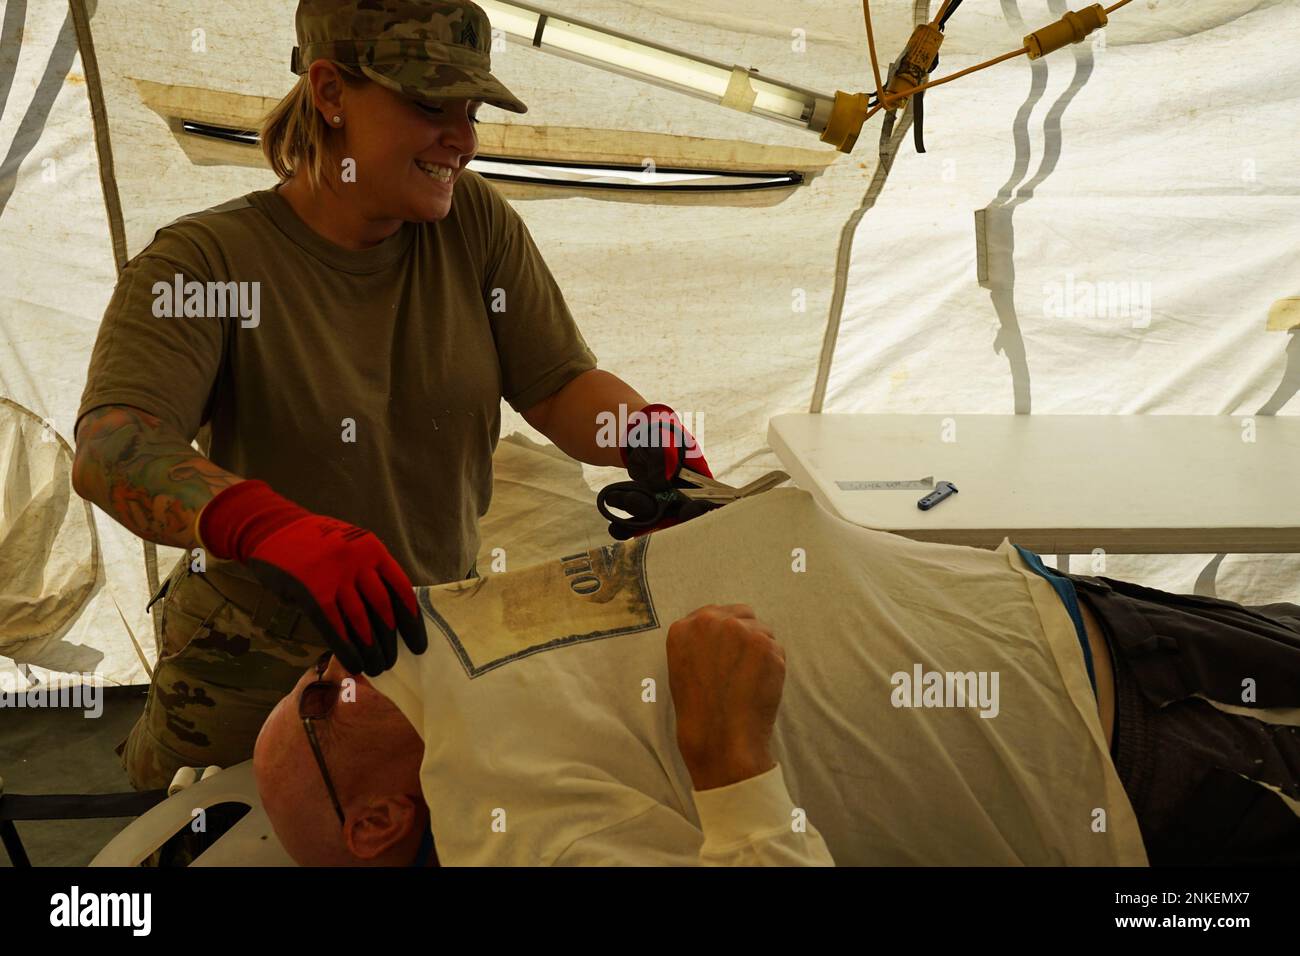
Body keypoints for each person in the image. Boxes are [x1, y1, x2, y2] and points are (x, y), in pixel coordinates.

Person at [70, 0, 711, 791]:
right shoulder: (206, 264)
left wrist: (638, 428)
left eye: (471, 112)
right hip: (253, 662)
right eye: (428, 106)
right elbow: (113, 445)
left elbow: (556, 385)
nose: (463, 141)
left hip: (425, 638)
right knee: (225, 841)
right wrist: (275, 528)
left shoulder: (471, 225)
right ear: (330, 91)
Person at [253, 488, 1298, 865]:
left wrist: (699, 525)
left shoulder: (449, 653)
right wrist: (729, 762)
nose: (336, 661)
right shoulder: (504, 830)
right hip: (1106, 757)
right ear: (378, 819)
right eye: (319, 692)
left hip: (1065, 614)